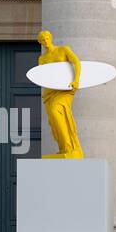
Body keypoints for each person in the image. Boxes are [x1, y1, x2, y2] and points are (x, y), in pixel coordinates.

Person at [35, 30, 84, 159]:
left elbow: (77, 62)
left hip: (65, 89)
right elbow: (42, 77)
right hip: (49, 92)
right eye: (42, 40)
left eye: (46, 38)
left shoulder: (63, 50)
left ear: (50, 38)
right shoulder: (42, 58)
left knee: (56, 110)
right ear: (40, 42)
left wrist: (76, 80)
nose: (45, 41)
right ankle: (63, 148)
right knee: (54, 122)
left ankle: (70, 146)